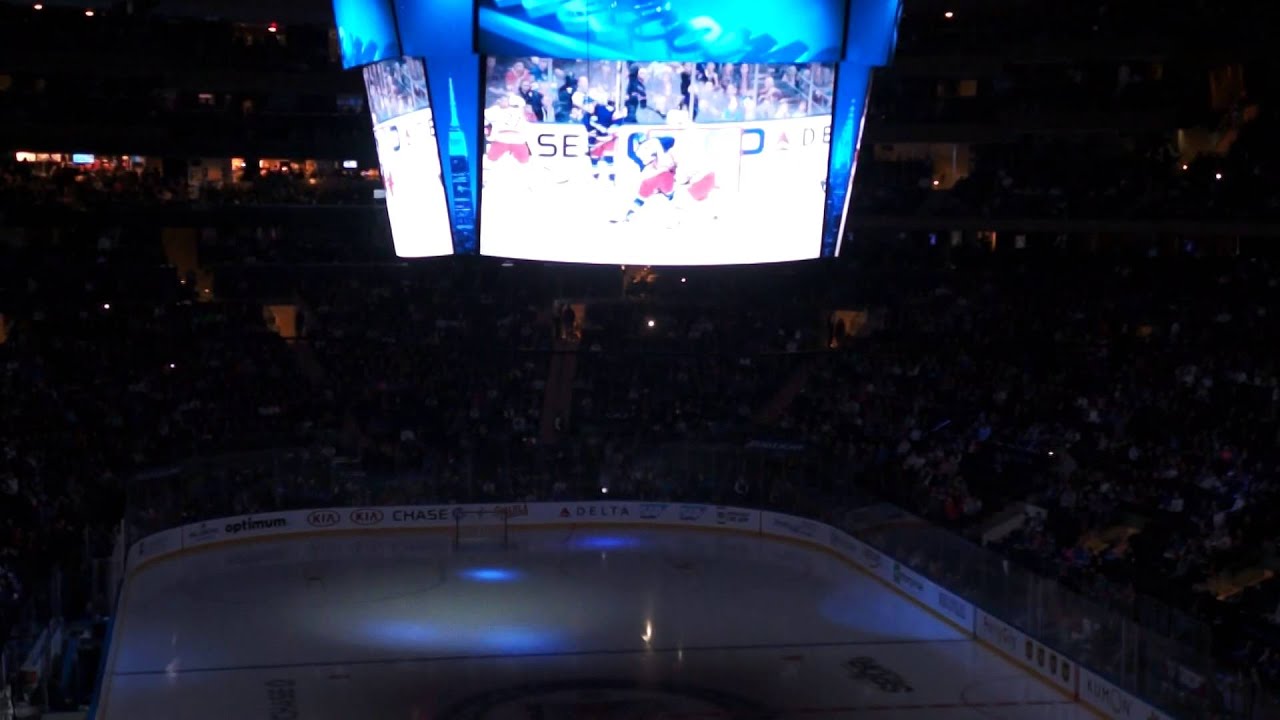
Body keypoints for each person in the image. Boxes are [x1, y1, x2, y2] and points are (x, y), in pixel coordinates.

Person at [583, 98, 620, 184]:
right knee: (594, 157)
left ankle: (611, 177)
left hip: (609, 139)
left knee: (608, 158)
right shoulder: (591, 113)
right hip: (598, 139)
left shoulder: (607, 110)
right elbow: (590, 125)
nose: (588, 108)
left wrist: (610, 131)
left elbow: (616, 123)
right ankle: (595, 175)